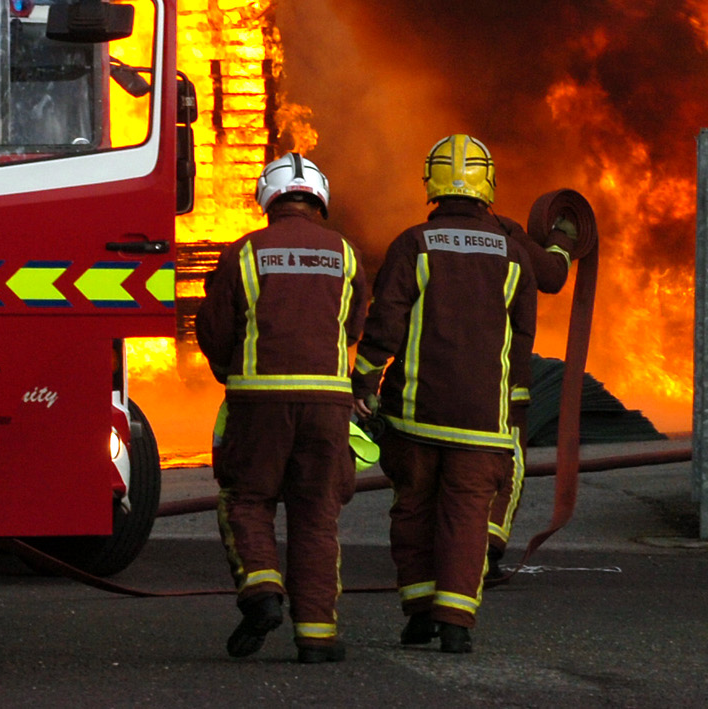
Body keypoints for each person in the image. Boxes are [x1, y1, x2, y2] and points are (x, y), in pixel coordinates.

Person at [353, 134, 575, 654]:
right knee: (467, 519)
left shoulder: (414, 244)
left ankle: (418, 615)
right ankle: (456, 624)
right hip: (482, 423)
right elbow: (523, 337)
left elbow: (385, 323)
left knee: (413, 512)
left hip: (414, 418)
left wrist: (363, 382)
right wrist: (508, 404)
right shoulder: (514, 252)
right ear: (488, 186)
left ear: (431, 184)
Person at [196, 153, 369, 664]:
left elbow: (215, 327)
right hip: (328, 404)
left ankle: (262, 590)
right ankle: (316, 637)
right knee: (316, 515)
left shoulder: (245, 252)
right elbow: (354, 327)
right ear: (320, 197)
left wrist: (229, 371)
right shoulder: (347, 253)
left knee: (247, 498)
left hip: (259, 399)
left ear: (267, 197)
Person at [486, 207, 575, 581]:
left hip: (434, 383)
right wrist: (564, 237)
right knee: (506, 470)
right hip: (502, 382)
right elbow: (552, 276)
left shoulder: (419, 242)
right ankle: (486, 552)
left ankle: (433, 562)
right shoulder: (507, 235)